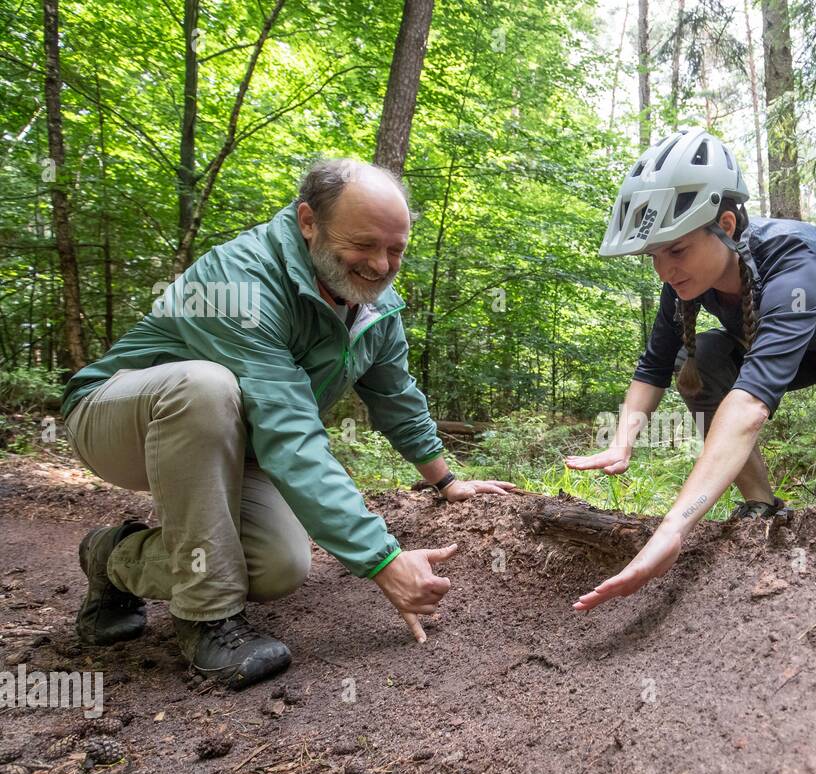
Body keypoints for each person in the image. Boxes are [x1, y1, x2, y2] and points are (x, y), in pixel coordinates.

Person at [62, 158, 514, 689]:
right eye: (364, 244)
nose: (381, 264)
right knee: (206, 386)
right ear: (308, 221)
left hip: (241, 441)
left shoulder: (375, 305)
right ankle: (208, 620)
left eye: (396, 249)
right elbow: (288, 428)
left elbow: (394, 394)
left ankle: (113, 556)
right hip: (120, 420)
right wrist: (384, 561)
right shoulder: (240, 280)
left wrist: (446, 480)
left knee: (277, 566)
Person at [565, 128, 816, 611]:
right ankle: (762, 505)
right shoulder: (683, 285)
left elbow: (750, 406)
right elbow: (652, 368)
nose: (666, 270)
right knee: (699, 360)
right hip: (784, 347)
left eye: (678, 249)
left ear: (726, 225)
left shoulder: (794, 262)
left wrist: (674, 528)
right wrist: (623, 440)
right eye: (655, 256)